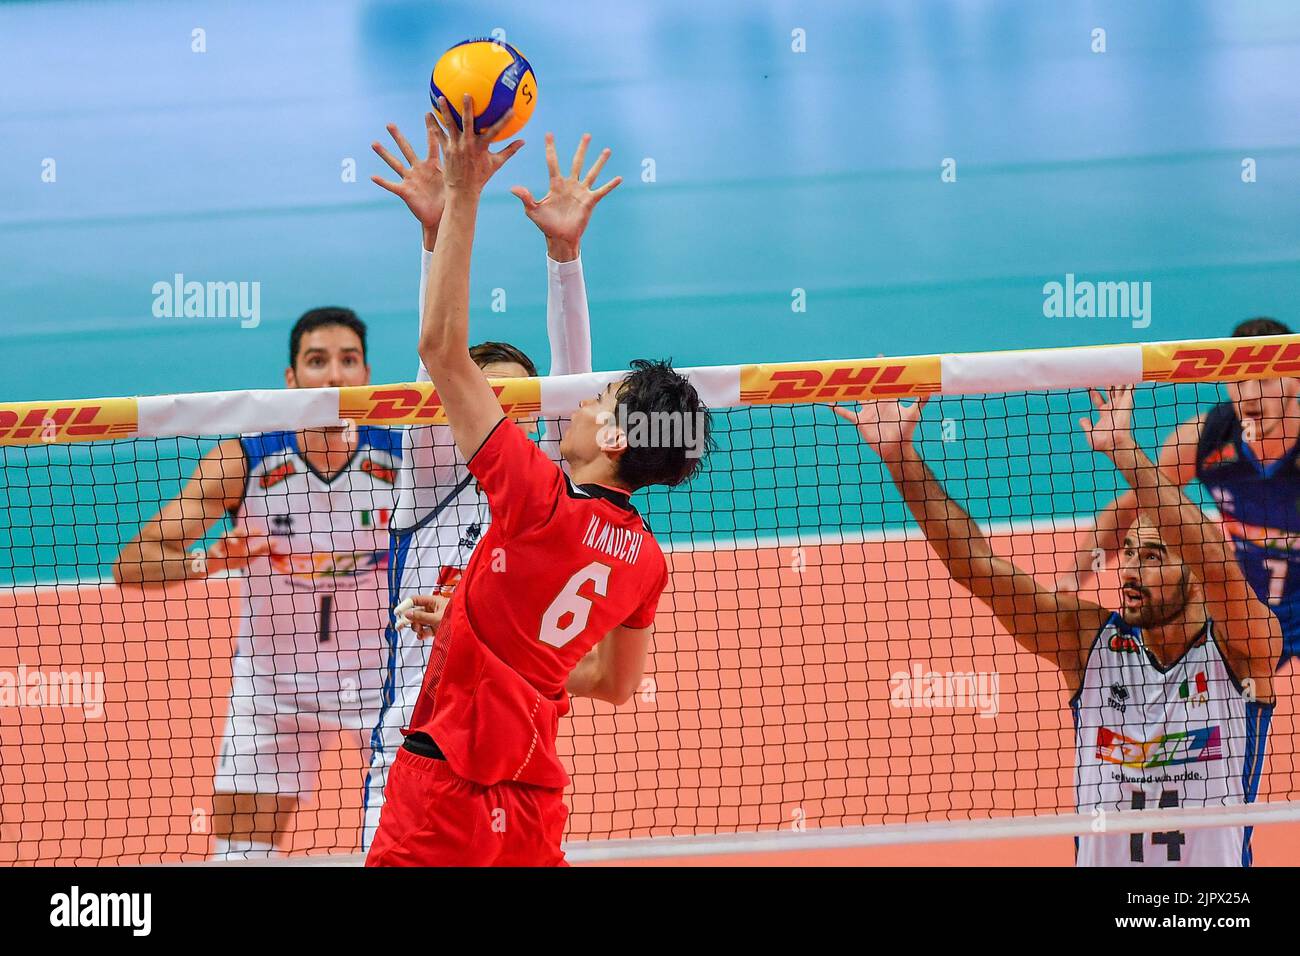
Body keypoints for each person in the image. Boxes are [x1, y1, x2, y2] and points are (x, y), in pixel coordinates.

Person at [364, 98, 711, 867]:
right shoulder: (646, 560)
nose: (580, 398)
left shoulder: (532, 496)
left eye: (599, 399)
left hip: (443, 779)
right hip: (530, 796)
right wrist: (510, 651)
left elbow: (440, 350)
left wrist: (464, 194)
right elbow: (614, 686)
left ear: (617, 438)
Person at [835, 385, 1279, 866]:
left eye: (1152, 557)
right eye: (1127, 553)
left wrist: (1123, 451)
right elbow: (977, 569)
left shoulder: (1241, 650)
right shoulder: (1088, 645)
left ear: (1191, 576)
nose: (1129, 571)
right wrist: (901, 460)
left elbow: (1215, 563)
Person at [361, 117, 619, 850]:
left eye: (519, 403)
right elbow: (437, 363)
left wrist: (564, 255)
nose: (499, 412)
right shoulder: (430, 482)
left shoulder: (544, 501)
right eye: (487, 396)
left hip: (519, 764)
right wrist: (437, 237)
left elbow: (572, 389)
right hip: (413, 757)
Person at [113, 307, 400, 860]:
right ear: (291, 380)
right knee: (237, 858)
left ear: (367, 376)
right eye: (317, 362)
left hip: (386, 687)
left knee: (406, 852)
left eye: (348, 361)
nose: (334, 377)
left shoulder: (407, 454)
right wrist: (211, 562)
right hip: (272, 690)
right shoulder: (244, 461)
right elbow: (133, 562)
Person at [1060, 318, 1300, 669]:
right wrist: (1073, 577)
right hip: (1244, 612)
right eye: (1238, 380)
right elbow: (1136, 506)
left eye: (1264, 379)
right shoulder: (1204, 441)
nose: (1249, 396)